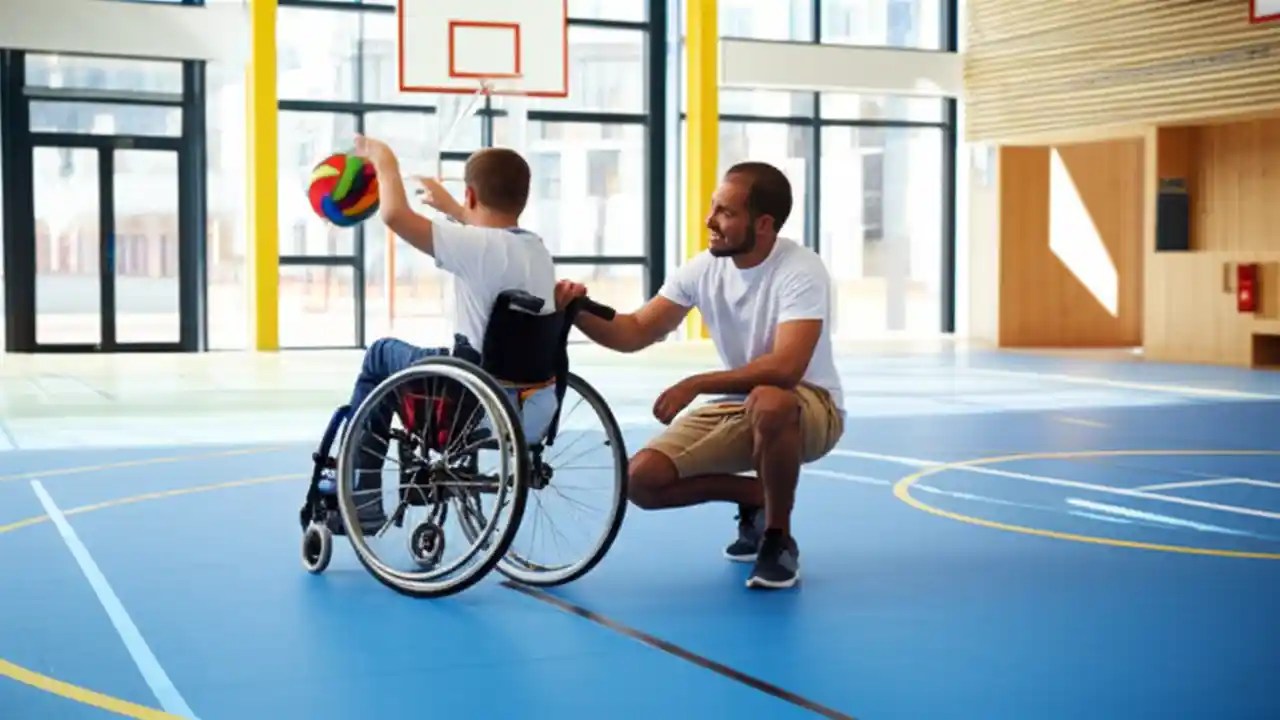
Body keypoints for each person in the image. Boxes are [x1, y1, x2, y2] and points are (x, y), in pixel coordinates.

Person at [556, 161, 844, 590]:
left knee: (772, 400)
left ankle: (777, 538)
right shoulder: (702, 268)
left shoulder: (801, 269)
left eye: (726, 212)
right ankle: (756, 497)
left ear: (764, 224)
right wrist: (576, 309)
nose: (710, 220)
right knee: (641, 481)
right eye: (714, 207)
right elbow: (635, 331)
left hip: (809, 404)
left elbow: (787, 368)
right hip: (744, 401)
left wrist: (696, 384)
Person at [335, 136, 559, 531]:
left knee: (380, 353)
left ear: (471, 194)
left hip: (469, 392)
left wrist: (384, 159)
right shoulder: (537, 250)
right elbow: (494, 238)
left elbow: (394, 215)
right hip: (528, 401)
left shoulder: (472, 245)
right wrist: (455, 210)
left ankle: (363, 493)